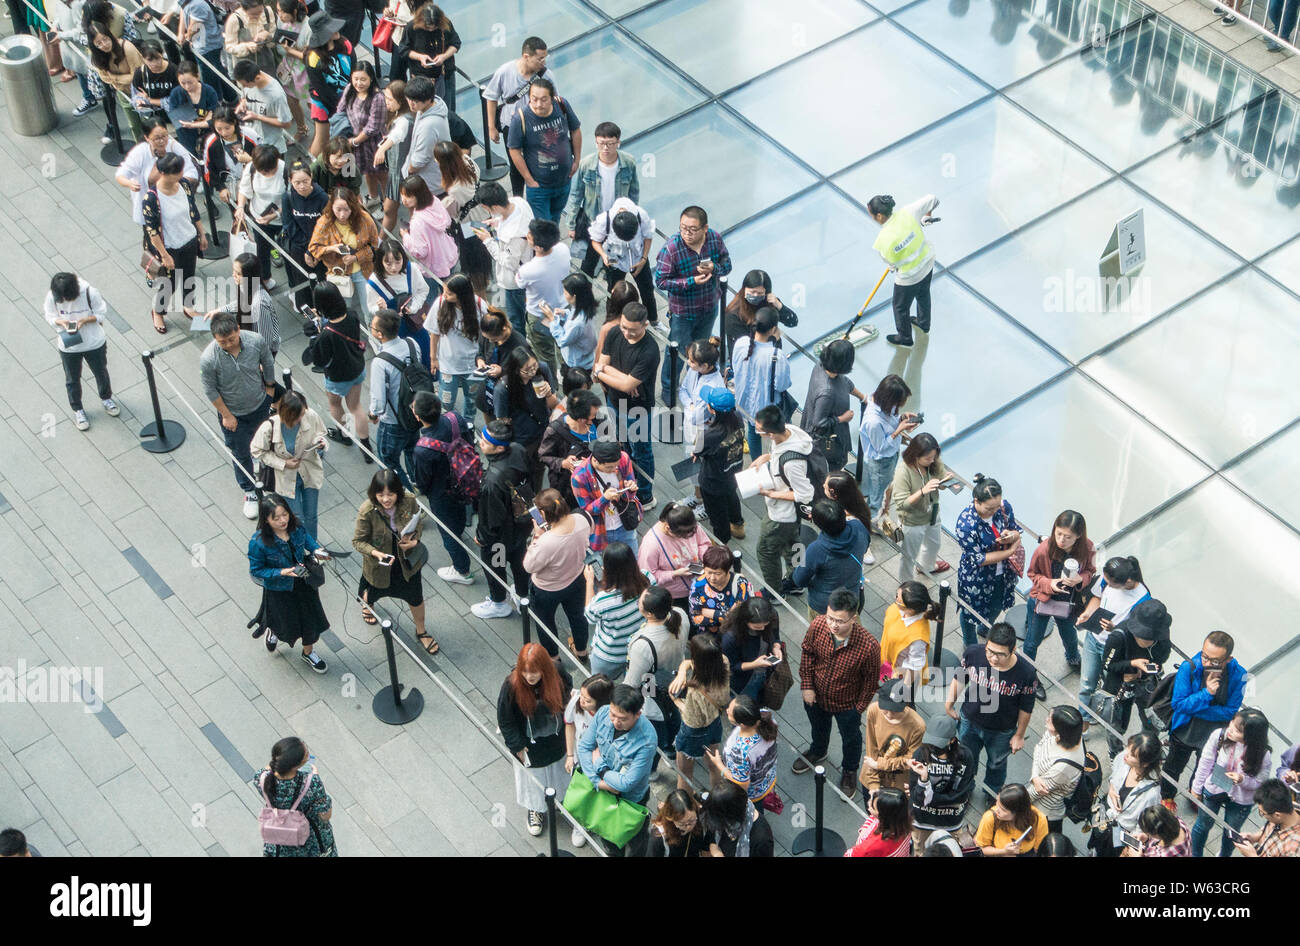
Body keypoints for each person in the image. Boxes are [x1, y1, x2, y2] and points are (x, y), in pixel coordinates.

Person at [793, 587, 882, 800]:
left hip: (847, 704)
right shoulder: (818, 625)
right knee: (818, 727)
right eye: (830, 618)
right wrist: (807, 685)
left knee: (851, 739)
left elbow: (871, 682)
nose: (833, 624)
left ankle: (850, 771)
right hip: (816, 696)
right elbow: (808, 652)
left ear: (854, 618)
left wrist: (858, 709)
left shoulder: (869, 646)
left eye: (840, 621)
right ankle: (818, 750)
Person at [946, 621, 1036, 794]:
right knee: (965, 759)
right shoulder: (974, 653)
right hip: (969, 719)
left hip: (1002, 730)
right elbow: (960, 677)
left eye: (1000, 654)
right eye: (990, 651)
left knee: (996, 765)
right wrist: (949, 704)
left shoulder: (1026, 673)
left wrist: (1019, 735)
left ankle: (991, 792)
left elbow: (1026, 707)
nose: (994, 658)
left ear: (1013, 650)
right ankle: (965, 788)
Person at [200, 314, 275, 519]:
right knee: (240, 453)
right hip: (234, 414)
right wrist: (226, 415)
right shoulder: (209, 359)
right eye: (222, 342)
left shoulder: (255, 341)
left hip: (260, 404)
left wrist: (269, 389)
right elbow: (211, 391)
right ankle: (249, 491)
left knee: (266, 443)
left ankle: (270, 478)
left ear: (238, 330)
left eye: (231, 339)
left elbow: (268, 362)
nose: (228, 344)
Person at [1162, 630, 1247, 806]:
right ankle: (1167, 795)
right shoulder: (1190, 667)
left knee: (1205, 767)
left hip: (1214, 736)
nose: (1207, 663)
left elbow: (1230, 712)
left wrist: (1195, 708)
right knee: (1173, 765)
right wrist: (1206, 694)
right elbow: (1178, 704)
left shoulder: (1239, 676)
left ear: (1228, 659)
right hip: (1185, 730)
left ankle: (1195, 794)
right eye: (1204, 656)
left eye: (1215, 661)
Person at [352, 470, 433, 653]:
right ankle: (368, 603)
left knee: (415, 597)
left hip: (406, 562)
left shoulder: (409, 500)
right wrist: (376, 553)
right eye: (381, 495)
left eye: (391, 494)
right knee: (373, 590)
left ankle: (422, 631)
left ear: (399, 492)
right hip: (380, 564)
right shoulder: (367, 511)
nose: (386, 499)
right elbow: (358, 541)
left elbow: (417, 523)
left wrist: (414, 540)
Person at [247, 496, 331, 672]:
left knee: (311, 620)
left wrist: (317, 549)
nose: (282, 520)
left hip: (303, 582)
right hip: (280, 589)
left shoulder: (296, 526)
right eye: (275, 518)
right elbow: (256, 570)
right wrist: (281, 572)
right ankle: (274, 631)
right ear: (266, 520)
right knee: (283, 621)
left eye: (284, 514)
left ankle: (308, 653)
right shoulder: (258, 543)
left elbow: (306, 539)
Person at [496, 643, 572, 837]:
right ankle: (536, 808)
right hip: (529, 744)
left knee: (559, 771)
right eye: (525, 672)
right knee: (533, 779)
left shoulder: (557, 673)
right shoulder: (511, 685)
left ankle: (564, 800)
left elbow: (568, 691)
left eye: (535, 672)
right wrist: (517, 746)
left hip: (556, 738)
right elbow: (505, 719)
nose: (529, 677)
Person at [654, 205, 732, 391]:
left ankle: (693, 384)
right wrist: (691, 281)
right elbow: (661, 281)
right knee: (677, 352)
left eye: (692, 229)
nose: (687, 233)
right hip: (683, 313)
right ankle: (669, 388)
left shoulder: (714, 239)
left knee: (700, 351)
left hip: (709, 307)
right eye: (683, 228)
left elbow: (727, 265)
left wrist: (714, 268)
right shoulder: (671, 249)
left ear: (705, 228)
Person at [576, 683, 657, 856]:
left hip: (631, 800)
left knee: (636, 839)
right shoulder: (604, 712)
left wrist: (600, 768)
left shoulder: (647, 740)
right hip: (604, 791)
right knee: (607, 834)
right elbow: (584, 747)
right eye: (613, 714)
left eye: (622, 718)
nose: (615, 721)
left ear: (637, 714)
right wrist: (598, 782)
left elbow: (627, 783)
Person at [592, 302, 659, 509]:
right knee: (624, 446)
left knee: (641, 452)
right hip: (613, 402)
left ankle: (645, 495)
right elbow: (600, 365)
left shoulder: (650, 350)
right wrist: (621, 380)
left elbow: (609, 373)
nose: (627, 333)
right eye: (624, 327)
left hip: (637, 411)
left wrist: (610, 375)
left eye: (633, 329)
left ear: (645, 325)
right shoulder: (614, 333)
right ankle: (628, 481)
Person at [408, 392, 474, 590]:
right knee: (461, 513)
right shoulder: (455, 418)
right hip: (465, 478)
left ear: (418, 417)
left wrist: (424, 491)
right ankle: (460, 530)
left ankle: (462, 570)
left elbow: (422, 481)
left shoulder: (423, 449)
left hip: (441, 492)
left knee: (447, 532)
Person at [749, 405, 817, 592]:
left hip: (781, 515)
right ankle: (797, 580)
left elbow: (805, 494)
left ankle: (774, 592)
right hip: (792, 517)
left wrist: (771, 494)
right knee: (793, 542)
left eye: (758, 429)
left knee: (765, 552)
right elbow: (781, 453)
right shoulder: (791, 431)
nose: (757, 431)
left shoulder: (792, 464)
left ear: (770, 433)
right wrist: (768, 457)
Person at [1095, 598, 1173, 759]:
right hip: (1120, 686)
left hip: (1147, 684)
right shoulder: (1119, 637)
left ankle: (1146, 748)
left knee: (1151, 720)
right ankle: (1115, 753)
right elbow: (1109, 665)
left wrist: (1152, 666)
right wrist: (1132, 664)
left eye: (1152, 638)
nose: (1148, 641)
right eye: (1143, 637)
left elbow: (1164, 654)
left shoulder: (1162, 636)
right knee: (1117, 725)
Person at [1190, 708, 1272, 857]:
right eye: (1232, 724)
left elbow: (1260, 783)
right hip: (1215, 786)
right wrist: (1196, 788)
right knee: (1202, 825)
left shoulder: (1263, 755)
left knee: (1231, 834)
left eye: (1237, 731)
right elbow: (1205, 763)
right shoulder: (1219, 735)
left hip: (1241, 799)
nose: (1230, 730)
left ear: (1251, 737)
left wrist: (1242, 780)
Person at [140, 152, 207, 335]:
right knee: (168, 284)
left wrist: (201, 233)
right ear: (162, 172)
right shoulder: (152, 198)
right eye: (174, 172)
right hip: (169, 247)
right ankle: (158, 311)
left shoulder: (184, 185)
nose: (179, 175)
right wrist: (164, 255)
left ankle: (189, 306)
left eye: (180, 171)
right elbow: (152, 231)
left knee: (189, 277)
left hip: (188, 240)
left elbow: (192, 211)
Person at [1076, 555, 1150, 719]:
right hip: (1093, 638)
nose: (1106, 584)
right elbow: (1097, 597)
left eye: (1111, 584)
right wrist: (1088, 613)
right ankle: (1083, 720)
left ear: (1127, 582)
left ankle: (1101, 713)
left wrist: (1114, 629)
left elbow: (1137, 634)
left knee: (1109, 688)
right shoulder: (1107, 578)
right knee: (1086, 683)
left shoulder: (1142, 599)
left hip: (1114, 648)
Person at [473, 418, 533, 620]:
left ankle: (499, 601)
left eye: (485, 442)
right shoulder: (517, 449)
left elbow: (492, 520)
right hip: (523, 525)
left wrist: (482, 538)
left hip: (500, 540)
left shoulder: (492, 480)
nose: (480, 443)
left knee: (496, 565)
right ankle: (523, 594)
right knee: (520, 563)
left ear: (498, 449)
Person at [1024, 510, 1095, 677]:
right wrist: (1050, 584)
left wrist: (1080, 579)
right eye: (1059, 534)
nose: (1062, 540)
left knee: (1070, 637)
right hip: (1042, 600)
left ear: (1078, 535)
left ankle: (1073, 658)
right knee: (1032, 641)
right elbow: (1032, 574)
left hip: (1068, 604)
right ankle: (1027, 675)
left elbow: (1091, 571)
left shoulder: (1088, 548)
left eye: (1068, 536)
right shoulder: (1044, 550)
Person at [46, 270, 119, 432]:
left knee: (101, 372)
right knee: (72, 379)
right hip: (69, 347)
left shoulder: (89, 292)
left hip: (94, 342)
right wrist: (62, 323)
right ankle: (78, 409)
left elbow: (101, 313)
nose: (63, 300)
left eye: (66, 297)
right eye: (61, 298)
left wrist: (84, 321)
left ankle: (106, 398)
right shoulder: (52, 296)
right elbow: (50, 316)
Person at [954, 474, 1022, 648]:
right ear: (976, 501)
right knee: (970, 612)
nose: (994, 511)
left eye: (996, 506)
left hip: (1003, 573)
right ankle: (970, 643)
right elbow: (979, 559)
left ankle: (984, 627)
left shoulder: (1003, 507)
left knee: (997, 605)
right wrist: (1010, 551)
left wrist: (1011, 536)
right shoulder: (966, 524)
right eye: (989, 508)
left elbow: (1014, 530)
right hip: (977, 577)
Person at [522, 489, 591, 657]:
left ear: (544, 513)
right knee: (578, 616)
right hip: (576, 578)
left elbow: (529, 566)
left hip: (547, 589)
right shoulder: (582, 519)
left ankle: (553, 657)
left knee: (545, 622)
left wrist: (537, 538)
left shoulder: (546, 541)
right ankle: (581, 650)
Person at [251, 390, 327, 539]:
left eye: (303, 413)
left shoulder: (309, 415)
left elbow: (321, 433)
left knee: (311, 515)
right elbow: (256, 450)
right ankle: (302, 546)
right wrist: (283, 463)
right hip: (285, 479)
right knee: (297, 517)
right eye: (298, 415)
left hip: (309, 473)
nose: (302, 418)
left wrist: (321, 443)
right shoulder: (269, 427)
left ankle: (314, 549)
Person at [483, 37, 554, 196]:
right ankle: (517, 198)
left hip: (537, 127)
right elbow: (491, 97)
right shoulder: (505, 71)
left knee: (538, 163)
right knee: (516, 165)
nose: (543, 62)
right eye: (540, 59)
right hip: (511, 125)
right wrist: (491, 127)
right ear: (526, 57)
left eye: (545, 58)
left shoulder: (546, 75)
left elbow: (555, 101)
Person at [867, 193, 939, 348]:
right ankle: (923, 323)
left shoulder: (881, 241)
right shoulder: (908, 212)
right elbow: (933, 199)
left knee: (900, 307)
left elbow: (892, 264)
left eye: (872, 215)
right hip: (927, 263)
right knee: (923, 293)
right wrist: (926, 217)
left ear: (879, 216)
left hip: (909, 277)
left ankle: (905, 337)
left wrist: (893, 266)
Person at [563, 120, 639, 265]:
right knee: (588, 262)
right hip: (593, 220)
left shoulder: (628, 163)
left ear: (618, 143)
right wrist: (571, 224)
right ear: (596, 142)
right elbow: (576, 195)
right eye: (601, 143)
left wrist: (632, 218)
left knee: (615, 264)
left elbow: (634, 193)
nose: (605, 148)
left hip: (618, 221)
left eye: (610, 143)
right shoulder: (587, 164)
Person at [309, 282, 371, 459]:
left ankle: (345, 435)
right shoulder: (352, 315)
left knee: (335, 404)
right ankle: (366, 449)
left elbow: (320, 360)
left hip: (337, 377)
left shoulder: (326, 334)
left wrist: (318, 333)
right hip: (357, 369)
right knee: (355, 407)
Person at [506, 77, 581, 223]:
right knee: (543, 227)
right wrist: (528, 179)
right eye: (534, 99)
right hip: (539, 187)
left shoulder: (562, 105)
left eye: (544, 99)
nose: (538, 104)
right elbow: (514, 151)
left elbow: (575, 130)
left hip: (564, 181)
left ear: (552, 98)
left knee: (555, 220)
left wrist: (576, 160)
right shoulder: (520, 118)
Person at [668, 623, 730, 791]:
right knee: (714, 765)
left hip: (693, 732)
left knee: (685, 773)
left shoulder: (696, 691)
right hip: (715, 724)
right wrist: (682, 672)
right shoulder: (723, 662)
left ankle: (685, 805)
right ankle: (717, 798)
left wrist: (675, 701)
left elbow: (693, 720)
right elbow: (688, 663)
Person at [624, 585, 686, 753]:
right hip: (676, 677)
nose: (637, 602)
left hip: (651, 684)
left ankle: (661, 751)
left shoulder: (643, 645)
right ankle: (672, 742)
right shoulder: (680, 615)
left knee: (656, 720)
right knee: (673, 712)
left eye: (639, 601)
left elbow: (633, 682)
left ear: (649, 614)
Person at [473, 181, 535, 338]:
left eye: (486, 208)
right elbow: (508, 219)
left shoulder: (513, 234)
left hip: (515, 282)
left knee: (516, 317)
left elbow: (508, 262)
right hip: (528, 264)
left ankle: (521, 342)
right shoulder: (518, 202)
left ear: (494, 208)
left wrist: (487, 240)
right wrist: (497, 222)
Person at [366, 310, 420, 489]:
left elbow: (379, 402)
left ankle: (407, 495)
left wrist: (373, 414)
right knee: (412, 449)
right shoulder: (412, 344)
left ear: (379, 334)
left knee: (388, 460)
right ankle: (416, 479)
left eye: (372, 327)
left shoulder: (380, 362)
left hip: (394, 420)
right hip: (415, 411)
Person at [907, 713, 975, 851]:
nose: (933, 747)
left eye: (938, 742)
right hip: (922, 821)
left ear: (952, 740)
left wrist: (927, 795)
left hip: (950, 822)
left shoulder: (966, 757)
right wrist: (923, 781)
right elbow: (917, 798)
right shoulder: (920, 754)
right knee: (920, 852)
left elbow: (961, 795)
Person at [790, 499, 869, 618]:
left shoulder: (816, 550)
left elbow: (799, 580)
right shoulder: (859, 527)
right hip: (852, 597)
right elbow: (866, 546)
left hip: (824, 606)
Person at [891, 432, 953, 582]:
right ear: (915, 455)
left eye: (934, 457)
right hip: (912, 521)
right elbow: (902, 504)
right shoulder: (903, 471)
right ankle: (905, 585)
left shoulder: (933, 461)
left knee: (934, 544)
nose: (932, 461)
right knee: (908, 556)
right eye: (928, 458)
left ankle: (927, 566)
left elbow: (940, 476)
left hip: (932, 512)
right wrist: (922, 491)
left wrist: (946, 481)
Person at [731, 307, 792, 461]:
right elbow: (782, 385)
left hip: (745, 402)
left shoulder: (741, 343)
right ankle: (778, 460)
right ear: (773, 329)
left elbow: (735, 366)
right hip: (767, 406)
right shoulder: (776, 356)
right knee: (779, 433)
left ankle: (757, 461)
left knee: (752, 431)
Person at [584, 541, 652, 678]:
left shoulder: (603, 600)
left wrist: (589, 582)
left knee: (600, 688)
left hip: (609, 655)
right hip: (638, 648)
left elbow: (589, 616)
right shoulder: (648, 578)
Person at [259, 737, 336, 856]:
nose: (308, 754)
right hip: (311, 842)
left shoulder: (262, 779)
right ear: (296, 766)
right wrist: (315, 778)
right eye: (306, 755)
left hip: (278, 843)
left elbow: (268, 768)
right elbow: (325, 815)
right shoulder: (312, 784)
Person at [859, 373, 918, 526]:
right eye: (898, 403)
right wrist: (898, 430)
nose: (897, 407)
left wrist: (901, 418)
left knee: (883, 486)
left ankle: (878, 511)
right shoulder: (873, 421)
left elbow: (889, 422)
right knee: (876, 494)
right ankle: (870, 522)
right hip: (880, 462)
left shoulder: (883, 402)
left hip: (890, 456)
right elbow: (880, 447)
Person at [309, 186, 380, 312]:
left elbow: (374, 245)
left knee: (370, 310)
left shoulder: (364, 218)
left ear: (353, 206)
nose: (342, 215)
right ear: (331, 207)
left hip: (363, 270)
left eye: (346, 210)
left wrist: (356, 257)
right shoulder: (325, 222)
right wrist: (331, 248)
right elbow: (313, 248)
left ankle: (372, 330)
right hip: (339, 273)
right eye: (338, 210)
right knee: (343, 311)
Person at [563, 673, 613, 847]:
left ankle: (594, 822)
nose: (582, 701)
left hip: (601, 764)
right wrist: (570, 755)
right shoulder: (576, 702)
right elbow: (569, 725)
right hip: (580, 761)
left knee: (598, 794)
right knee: (582, 791)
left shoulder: (610, 716)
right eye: (582, 696)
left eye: (588, 700)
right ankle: (580, 823)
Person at [1093, 732, 1163, 857]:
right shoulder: (1122, 758)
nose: (1126, 755)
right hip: (1106, 815)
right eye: (1128, 748)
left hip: (1122, 831)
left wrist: (1133, 843)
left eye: (1132, 755)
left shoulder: (1152, 793)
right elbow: (1114, 777)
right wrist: (1111, 788)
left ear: (1145, 763)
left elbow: (1143, 824)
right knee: (1097, 842)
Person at [514, 219, 568, 380]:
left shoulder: (528, 270)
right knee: (563, 347)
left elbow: (519, 282)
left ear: (537, 247)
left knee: (545, 354)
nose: (527, 236)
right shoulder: (563, 249)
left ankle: (551, 381)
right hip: (563, 309)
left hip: (539, 316)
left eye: (530, 235)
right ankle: (568, 376)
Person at [493, 348, 558, 481]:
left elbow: (554, 406)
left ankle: (538, 495)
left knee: (540, 467)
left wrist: (549, 394)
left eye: (534, 366)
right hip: (522, 439)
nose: (533, 371)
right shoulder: (503, 388)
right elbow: (500, 419)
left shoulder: (543, 369)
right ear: (516, 370)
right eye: (527, 370)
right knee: (523, 473)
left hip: (544, 430)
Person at [804, 338, 867, 472]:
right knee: (830, 469)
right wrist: (842, 418)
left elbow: (844, 382)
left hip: (829, 429)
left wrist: (862, 397)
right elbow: (818, 423)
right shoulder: (827, 393)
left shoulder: (821, 365)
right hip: (827, 440)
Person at [587, 199, 656, 321]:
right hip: (615, 261)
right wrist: (603, 255)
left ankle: (653, 319)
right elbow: (595, 240)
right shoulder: (605, 219)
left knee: (647, 289)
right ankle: (611, 318)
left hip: (638, 258)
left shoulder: (641, 215)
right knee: (614, 291)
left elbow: (647, 237)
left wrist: (644, 258)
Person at [708, 695, 780, 813]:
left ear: (741, 724)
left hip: (754, 794)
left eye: (730, 713)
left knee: (756, 813)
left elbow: (741, 784)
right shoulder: (767, 718)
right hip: (768, 778)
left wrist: (719, 764)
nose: (726, 710)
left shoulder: (740, 751)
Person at [692, 386, 746, 543]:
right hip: (734, 471)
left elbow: (697, 451)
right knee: (731, 495)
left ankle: (721, 543)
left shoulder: (708, 435)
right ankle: (738, 526)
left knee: (717, 515)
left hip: (712, 480)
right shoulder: (738, 417)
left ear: (712, 409)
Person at [638, 502, 712, 613]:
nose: (687, 538)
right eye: (682, 536)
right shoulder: (651, 545)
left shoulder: (689, 526)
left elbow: (704, 543)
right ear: (668, 528)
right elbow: (648, 576)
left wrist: (703, 558)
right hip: (675, 596)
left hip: (701, 583)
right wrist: (675, 573)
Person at [367, 239, 432, 366]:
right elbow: (371, 307)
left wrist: (413, 307)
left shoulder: (411, 269)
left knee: (426, 354)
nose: (394, 268)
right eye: (388, 263)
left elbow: (423, 290)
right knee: (403, 362)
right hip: (393, 330)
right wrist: (380, 308)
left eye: (398, 262)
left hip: (414, 322)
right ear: (381, 261)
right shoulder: (374, 281)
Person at [428, 274, 485, 417]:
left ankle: (468, 428)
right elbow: (434, 334)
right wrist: (433, 358)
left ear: (462, 295)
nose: (445, 295)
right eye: (444, 291)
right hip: (448, 364)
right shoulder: (440, 303)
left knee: (472, 402)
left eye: (450, 293)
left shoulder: (479, 305)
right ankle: (448, 429)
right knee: (445, 403)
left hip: (473, 364)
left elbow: (488, 334)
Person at [571, 440, 641, 554]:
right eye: (609, 467)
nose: (614, 469)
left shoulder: (623, 458)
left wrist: (631, 487)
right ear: (595, 460)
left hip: (625, 523)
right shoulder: (580, 476)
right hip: (602, 530)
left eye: (616, 465)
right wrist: (605, 499)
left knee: (634, 561)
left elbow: (631, 491)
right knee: (609, 567)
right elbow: (587, 511)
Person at [233, 144, 285, 295]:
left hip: (282, 218)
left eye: (270, 170)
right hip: (259, 216)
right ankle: (265, 279)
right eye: (263, 171)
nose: (267, 174)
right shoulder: (251, 168)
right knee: (261, 250)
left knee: (288, 250)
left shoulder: (286, 171)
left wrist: (276, 215)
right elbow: (244, 190)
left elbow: (292, 199)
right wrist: (241, 207)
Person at [860, 677, 925, 799]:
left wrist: (879, 764)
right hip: (871, 776)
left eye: (895, 710)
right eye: (885, 708)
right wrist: (873, 785)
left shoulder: (917, 726)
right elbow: (871, 749)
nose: (889, 714)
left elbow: (909, 761)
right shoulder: (874, 710)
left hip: (898, 785)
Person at [301, 11, 354, 158]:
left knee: (344, 140)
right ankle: (312, 170)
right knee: (322, 139)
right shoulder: (313, 57)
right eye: (331, 28)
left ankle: (344, 172)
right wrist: (340, 107)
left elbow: (354, 73)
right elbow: (321, 88)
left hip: (349, 96)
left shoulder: (346, 45)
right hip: (325, 102)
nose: (336, 30)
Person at [1027, 706, 1086, 834]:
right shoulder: (1064, 735)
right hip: (1037, 794)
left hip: (1044, 813)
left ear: (1061, 729)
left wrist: (1015, 804)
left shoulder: (1064, 767)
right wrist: (1035, 776)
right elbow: (1039, 747)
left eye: (1050, 720)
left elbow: (1037, 792)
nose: (1046, 719)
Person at [538, 388, 601, 509]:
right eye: (592, 417)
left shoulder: (597, 420)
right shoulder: (555, 431)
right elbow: (543, 456)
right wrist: (563, 463)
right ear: (581, 419)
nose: (595, 418)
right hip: (569, 486)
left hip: (595, 480)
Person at [336, 61, 386, 203]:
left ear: (371, 78)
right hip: (352, 141)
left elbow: (373, 127)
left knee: (381, 174)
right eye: (356, 79)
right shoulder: (349, 90)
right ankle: (373, 197)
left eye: (363, 79)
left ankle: (387, 201)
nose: (359, 83)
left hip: (373, 143)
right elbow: (341, 110)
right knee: (367, 173)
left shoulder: (377, 98)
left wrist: (354, 141)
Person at [722, 269, 797, 363]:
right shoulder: (733, 315)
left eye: (760, 293)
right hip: (750, 362)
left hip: (772, 357)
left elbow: (792, 322)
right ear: (744, 289)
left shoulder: (770, 303)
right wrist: (773, 338)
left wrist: (779, 306)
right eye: (752, 292)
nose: (755, 295)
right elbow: (747, 351)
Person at [880, 581, 938, 698]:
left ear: (911, 609)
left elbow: (913, 668)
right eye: (896, 596)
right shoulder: (900, 610)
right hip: (888, 661)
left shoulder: (918, 638)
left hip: (901, 674)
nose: (896, 601)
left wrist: (900, 691)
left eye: (899, 602)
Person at [89, 23, 144, 142]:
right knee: (134, 125)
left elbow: (136, 76)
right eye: (99, 43)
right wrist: (122, 80)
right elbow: (104, 77)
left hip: (142, 90)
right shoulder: (97, 57)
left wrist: (115, 78)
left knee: (148, 122)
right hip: (123, 92)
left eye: (105, 39)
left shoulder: (127, 48)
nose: (104, 45)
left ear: (110, 35)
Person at [399, 175, 458, 285]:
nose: (404, 199)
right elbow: (448, 222)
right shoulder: (434, 201)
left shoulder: (417, 222)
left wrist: (406, 237)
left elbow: (420, 252)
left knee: (430, 296)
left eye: (408, 196)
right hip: (448, 255)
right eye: (402, 194)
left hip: (432, 268)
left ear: (418, 195)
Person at [719, 595, 779, 702]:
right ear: (744, 621)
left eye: (766, 625)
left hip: (766, 671)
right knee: (748, 702)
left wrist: (776, 646)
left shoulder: (772, 615)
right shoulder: (730, 637)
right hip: (745, 680)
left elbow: (775, 636)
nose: (763, 629)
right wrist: (755, 664)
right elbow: (731, 666)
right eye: (757, 627)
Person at [473, 308, 528, 422]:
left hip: (507, 391)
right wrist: (480, 359)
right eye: (487, 338)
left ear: (504, 329)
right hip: (488, 387)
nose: (490, 341)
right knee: (488, 415)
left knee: (504, 425)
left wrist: (502, 371)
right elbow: (481, 351)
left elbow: (525, 373)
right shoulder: (487, 333)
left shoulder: (519, 344)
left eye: (493, 339)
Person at [232, 57, 292, 157]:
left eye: (245, 85)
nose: (244, 87)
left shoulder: (276, 95)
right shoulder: (248, 79)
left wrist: (258, 117)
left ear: (257, 78)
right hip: (252, 140)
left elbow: (287, 123)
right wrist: (242, 104)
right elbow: (244, 97)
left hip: (271, 147)